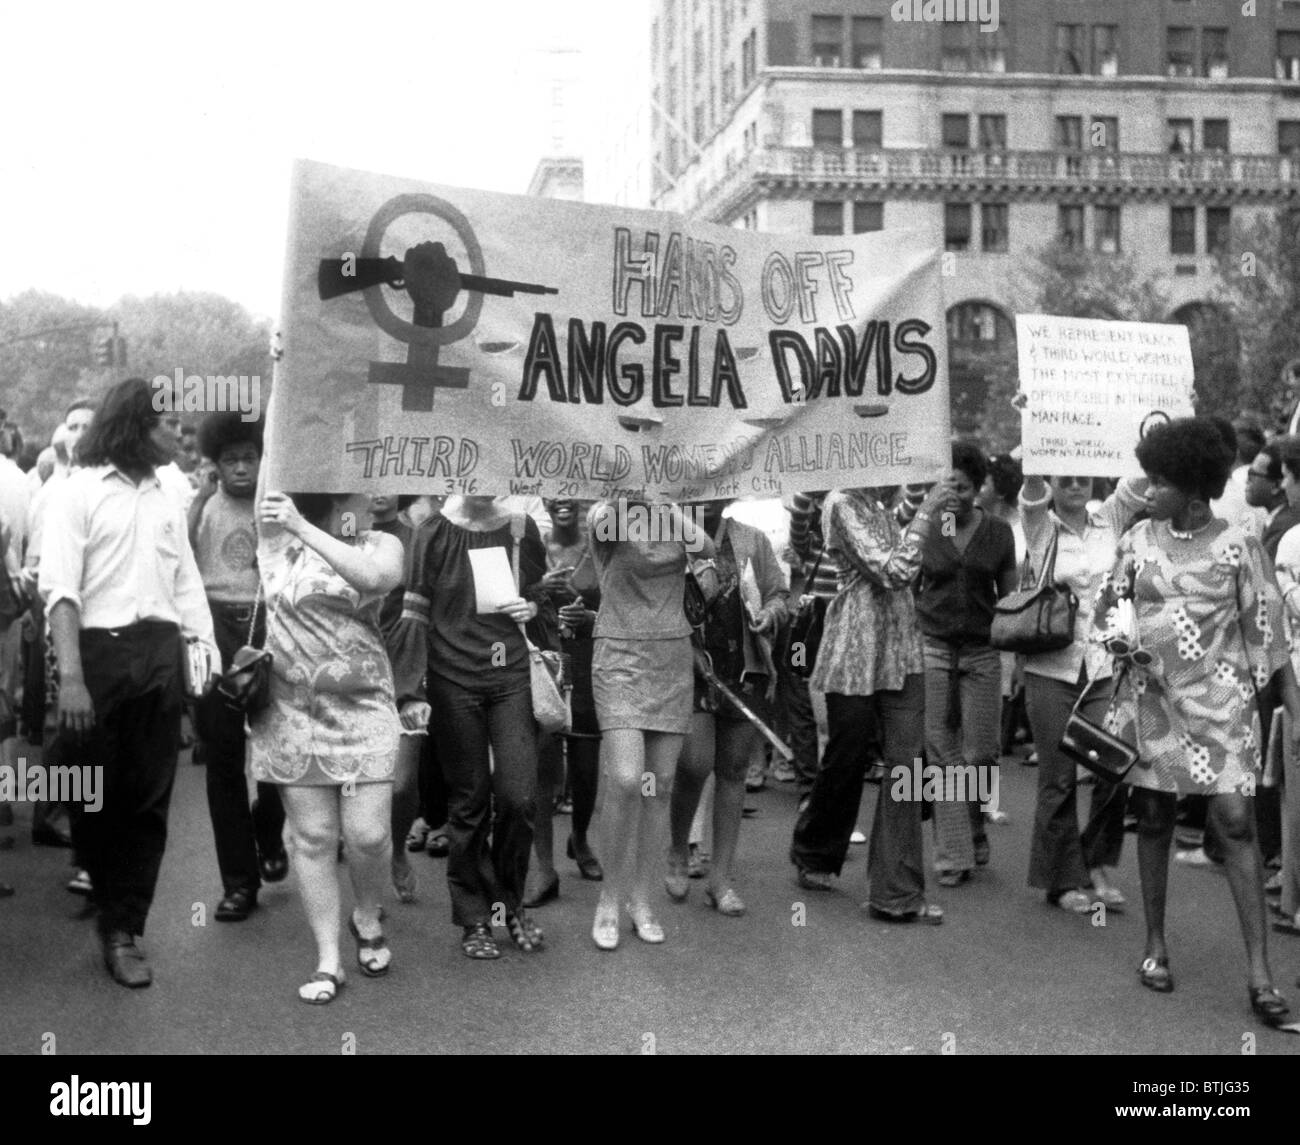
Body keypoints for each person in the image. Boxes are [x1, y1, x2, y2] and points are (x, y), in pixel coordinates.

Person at [1094, 417, 1296, 1027]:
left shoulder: (1241, 542)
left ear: (1192, 485)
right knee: (1153, 817)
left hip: (1222, 705)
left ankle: (1260, 974)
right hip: (1151, 702)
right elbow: (1110, 608)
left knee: (1235, 824)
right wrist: (1117, 636)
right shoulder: (1137, 540)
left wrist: (1295, 706)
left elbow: (1270, 633)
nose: (1149, 491)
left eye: (1159, 481)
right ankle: (1155, 946)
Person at [39, 378, 220, 988]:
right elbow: (60, 593)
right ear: (138, 425)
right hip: (98, 655)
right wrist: (72, 681)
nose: (180, 434)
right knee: (91, 792)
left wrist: (204, 653)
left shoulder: (169, 492)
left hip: (160, 654)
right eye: (169, 423)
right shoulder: (77, 492)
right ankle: (95, 867)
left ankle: (124, 931)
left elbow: (187, 579)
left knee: (148, 803)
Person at [249, 487, 403, 1003]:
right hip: (292, 711)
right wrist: (290, 520)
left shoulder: (380, 543)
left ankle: (366, 911)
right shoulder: (275, 539)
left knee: (368, 835)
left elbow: (376, 580)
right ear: (338, 494)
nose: (378, 496)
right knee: (312, 837)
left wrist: (302, 526)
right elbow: (277, 459)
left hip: (364, 704)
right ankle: (328, 959)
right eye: (366, 489)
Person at [393, 495, 550, 960]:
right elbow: (414, 614)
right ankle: (474, 917)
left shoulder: (521, 528)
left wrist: (532, 608)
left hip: (510, 675)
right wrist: (410, 691)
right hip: (452, 679)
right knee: (470, 802)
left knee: (520, 797)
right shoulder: (432, 532)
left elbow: (540, 592)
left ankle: (510, 901)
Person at [789, 480, 950, 923]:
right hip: (854, 647)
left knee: (907, 768)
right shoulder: (840, 501)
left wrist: (922, 504)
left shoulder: (881, 505)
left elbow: (904, 560)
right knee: (848, 754)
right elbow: (894, 571)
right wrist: (926, 514)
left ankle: (896, 892)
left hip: (901, 646)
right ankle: (815, 851)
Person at [587, 498, 715, 950]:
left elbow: (707, 548)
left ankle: (642, 900)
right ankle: (609, 897)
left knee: (659, 784)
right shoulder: (606, 513)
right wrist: (632, 497)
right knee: (625, 779)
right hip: (619, 654)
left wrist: (666, 506)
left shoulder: (677, 515)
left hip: (671, 656)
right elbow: (605, 529)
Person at [1021, 472, 1145, 912]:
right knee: (1058, 776)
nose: (1076, 487)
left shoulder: (1108, 519)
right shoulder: (1038, 526)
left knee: (1112, 768)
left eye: (1082, 479)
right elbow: (1033, 494)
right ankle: (1061, 879)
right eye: (1065, 480)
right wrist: (1036, 447)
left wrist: (1159, 416)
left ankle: (1096, 862)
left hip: (1103, 666)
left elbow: (1136, 484)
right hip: (1051, 666)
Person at [188, 414, 287, 922]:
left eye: (250, 457)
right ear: (216, 463)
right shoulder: (202, 506)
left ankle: (269, 830)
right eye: (231, 460)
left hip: (269, 629)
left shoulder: (277, 505)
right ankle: (238, 883)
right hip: (214, 631)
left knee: (274, 752)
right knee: (224, 762)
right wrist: (197, 501)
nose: (242, 468)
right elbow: (178, 560)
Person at [667, 500, 786, 917]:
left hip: (744, 669)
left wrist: (770, 614)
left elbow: (778, 594)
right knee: (695, 763)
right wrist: (685, 649)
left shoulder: (751, 539)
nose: (712, 497)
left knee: (733, 769)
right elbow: (658, 605)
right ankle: (679, 850)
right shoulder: (670, 536)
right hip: (692, 670)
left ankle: (720, 878)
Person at [918, 444, 1017, 886]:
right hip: (933, 646)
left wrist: (1012, 658)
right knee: (943, 754)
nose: (952, 494)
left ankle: (975, 828)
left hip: (982, 652)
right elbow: (908, 584)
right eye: (945, 485)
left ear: (977, 489)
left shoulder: (998, 533)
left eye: (960, 486)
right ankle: (952, 855)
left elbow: (1011, 600)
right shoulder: (927, 530)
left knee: (981, 753)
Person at [523, 498, 604, 907]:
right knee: (543, 761)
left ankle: (582, 839)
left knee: (587, 765)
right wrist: (541, 593)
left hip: (590, 659)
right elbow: (517, 599)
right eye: (553, 492)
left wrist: (591, 617)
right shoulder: (531, 540)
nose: (563, 500)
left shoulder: (600, 541)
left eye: (571, 491)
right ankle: (543, 866)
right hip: (544, 658)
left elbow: (622, 599)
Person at [366, 493, 428, 904]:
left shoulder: (419, 537)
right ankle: (367, 893)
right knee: (360, 785)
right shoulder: (348, 533)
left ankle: (399, 849)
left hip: (409, 676)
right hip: (358, 673)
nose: (378, 490)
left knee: (402, 785)